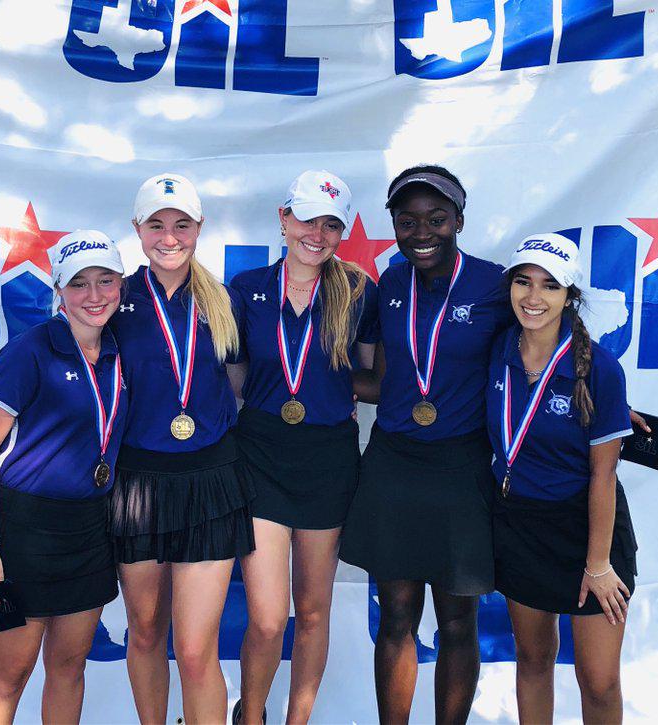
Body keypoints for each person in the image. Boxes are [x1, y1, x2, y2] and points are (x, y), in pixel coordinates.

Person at [341, 165, 512, 723]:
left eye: (436, 219)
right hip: (394, 464)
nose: (421, 233)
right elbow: (383, 379)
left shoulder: (494, 285)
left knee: (458, 622)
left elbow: (545, 346)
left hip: (462, 468)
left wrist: (597, 395)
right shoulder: (389, 286)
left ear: (459, 220)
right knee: (396, 618)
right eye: (407, 221)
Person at [0, 230, 127, 724]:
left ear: (120, 284)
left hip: (90, 530)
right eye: (79, 284)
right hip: (24, 533)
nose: (94, 295)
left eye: (105, 280)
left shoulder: (120, 350)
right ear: (59, 290)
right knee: (9, 674)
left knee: (69, 667)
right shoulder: (30, 350)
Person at [228, 170, 379, 724]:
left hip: (328, 459)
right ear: (284, 217)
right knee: (269, 618)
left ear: (343, 232)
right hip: (261, 456)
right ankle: (251, 715)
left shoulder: (359, 291)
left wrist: (325, 385)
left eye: (331, 224)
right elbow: (236, 379)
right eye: (307, 219)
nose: (317, 234)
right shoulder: (247, 289)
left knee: (313, 613)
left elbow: (369, 377)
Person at [108, 173, 254, 724]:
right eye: (156, 225)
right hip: (137, 484)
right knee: (146, 631)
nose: (169, 237)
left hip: (209, 483)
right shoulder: (115, 299)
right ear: (137, 229)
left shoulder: (225, 301)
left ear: (199, 228)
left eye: (182, 225)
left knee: (195, 649)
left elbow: (237, 384)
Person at [486, 233, 637, 723]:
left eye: (550, 286)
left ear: (569, 296)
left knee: (599, 680)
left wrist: (598, 564)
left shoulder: (600, 369)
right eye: (524, 282)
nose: (534, 297)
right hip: (520, 526)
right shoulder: (498, 348)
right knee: (532, 660)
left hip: (587, 530)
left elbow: (603, 475)